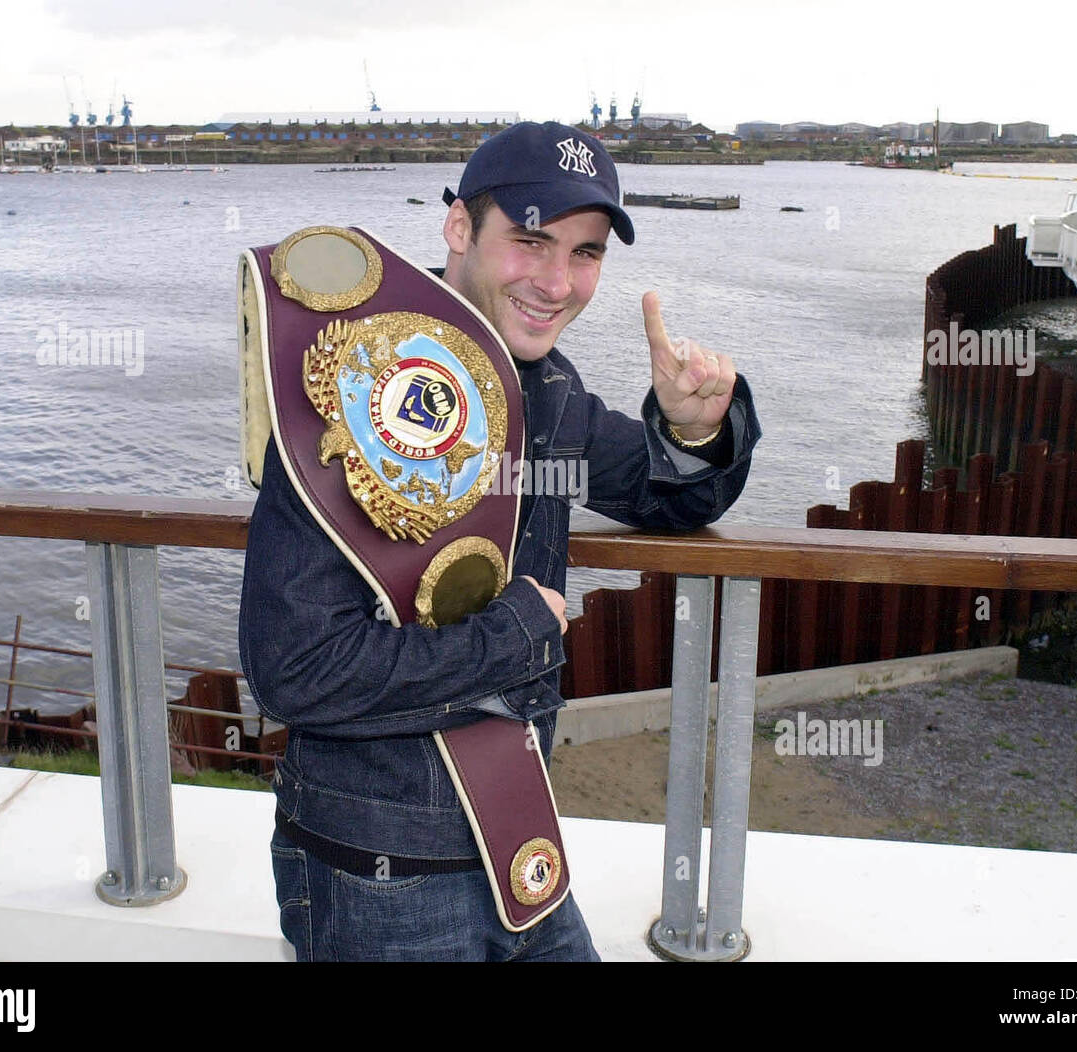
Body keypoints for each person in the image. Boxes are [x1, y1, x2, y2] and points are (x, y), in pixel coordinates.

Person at [238, 120, 762, 961]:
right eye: (529, 241)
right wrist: (516, 636)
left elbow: (669, 498)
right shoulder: (353, 382)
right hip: (381, 874)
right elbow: (293, 670)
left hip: (517, 847)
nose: (557, 283)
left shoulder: (547, 391)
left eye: (585, 253)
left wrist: (694, 431)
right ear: (458, 228)